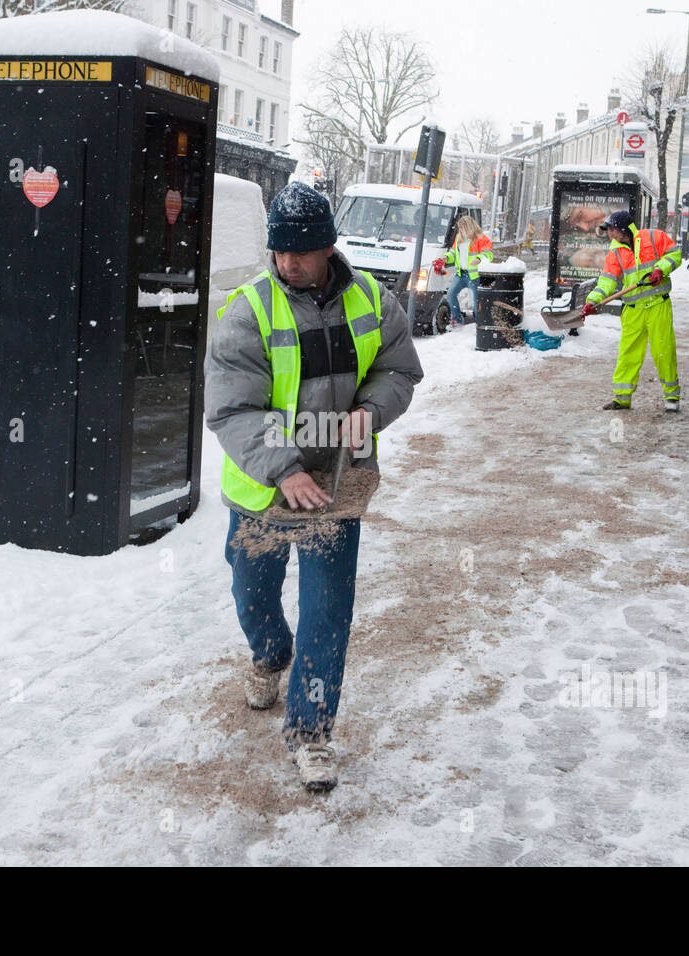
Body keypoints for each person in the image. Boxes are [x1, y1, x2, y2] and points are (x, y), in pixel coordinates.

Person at [204, 182, 424, 792]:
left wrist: (372, 411)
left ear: (328, 247)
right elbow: (230, 410)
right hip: (263, 491)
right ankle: (271, 653)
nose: (287, 263)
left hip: (338, 486)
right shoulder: (249, 310)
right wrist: (283, 466)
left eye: (299, 252)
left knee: (329, 611)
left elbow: (400, 368)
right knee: (253, 596)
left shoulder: (374, 301)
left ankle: (312, 732)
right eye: (279, 252)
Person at [579, 210, 683, 412]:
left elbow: (674, 254)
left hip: (658, 306)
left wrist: (660, 269)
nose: (609, 234)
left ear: (622, 229)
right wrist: (593, 300)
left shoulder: (653, 237)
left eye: (611, 229)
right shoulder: (615, 252)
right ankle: (622, 398)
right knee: (628, 354)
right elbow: (607, 280)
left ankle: (672, 396)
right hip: (633, 310)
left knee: (664, 352)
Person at [433, 214, 492, 326]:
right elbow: (454, 252)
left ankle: (479, 323)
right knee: (451, 294)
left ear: (469, 227)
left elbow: (488, 254)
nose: (460, 230)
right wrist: (445, 258)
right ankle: (457, 319)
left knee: (476, 302)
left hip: (474, 275)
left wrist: (478, 259)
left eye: (462, 227)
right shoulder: (459, 238)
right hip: (461, 274)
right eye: (459, 228)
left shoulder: (480, 238)